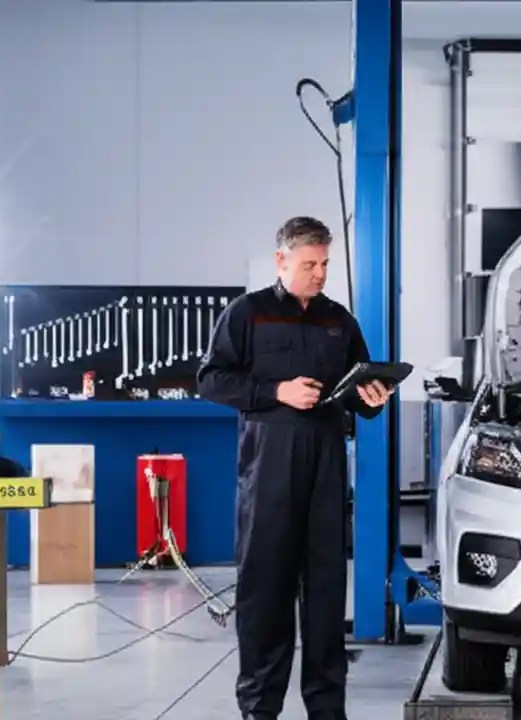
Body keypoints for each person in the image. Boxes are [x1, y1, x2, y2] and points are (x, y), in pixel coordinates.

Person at [197, 216, 395, 720]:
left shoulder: (338, 320)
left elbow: (359, 390)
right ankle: (259, 709)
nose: (320, 273)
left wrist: (373, 398)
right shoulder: (249, 314)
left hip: (326, 467)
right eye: (310, 264)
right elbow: (212, 379)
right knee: (266, 593)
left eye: (325, 263)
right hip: (268, 471)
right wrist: (275, 392)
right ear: (281, 261)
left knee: (327, 595)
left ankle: (328, 710)